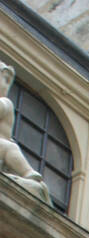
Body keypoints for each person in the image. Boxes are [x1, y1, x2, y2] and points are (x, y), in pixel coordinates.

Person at [0, 64, 51, 204]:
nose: (7, 86)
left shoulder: (5, 102)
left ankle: (27, 172)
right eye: (5, 80)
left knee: (9, 148)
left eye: (7, 81)